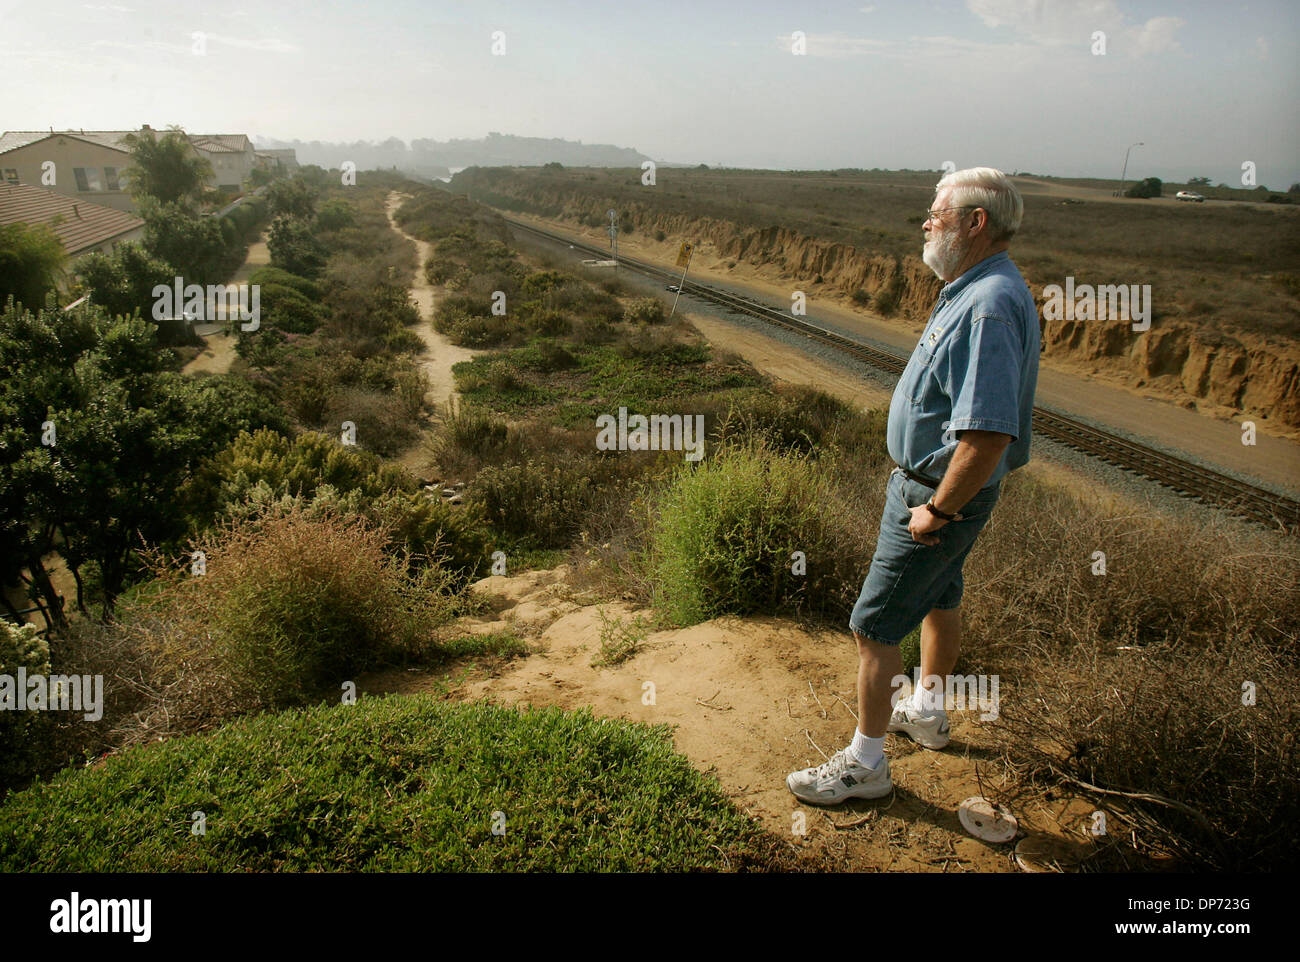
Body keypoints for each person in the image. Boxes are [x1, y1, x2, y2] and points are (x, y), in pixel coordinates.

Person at [787, 167, 1040, 805]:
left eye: (937, 213)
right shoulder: (974, 287)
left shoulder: (987, 305)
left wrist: (936, 509)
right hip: (936, 489)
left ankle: (865, 766)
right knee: (940, 597)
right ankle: (926, 710)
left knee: (873, 627)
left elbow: (988, 436)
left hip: (935, 493)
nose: (926, 222)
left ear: (975, 223)